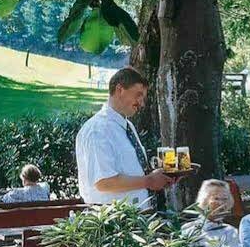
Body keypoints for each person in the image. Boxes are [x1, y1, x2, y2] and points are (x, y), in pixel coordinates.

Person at [74, 67, 176, 207]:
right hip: (112, 222)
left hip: (134, 218)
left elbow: (131, 173)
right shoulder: (98, 130)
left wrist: (160, 176)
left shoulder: (126, 126)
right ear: (120, 90)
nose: (141, 103)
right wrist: (149, 181)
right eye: (138, 95)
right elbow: (104, 182)